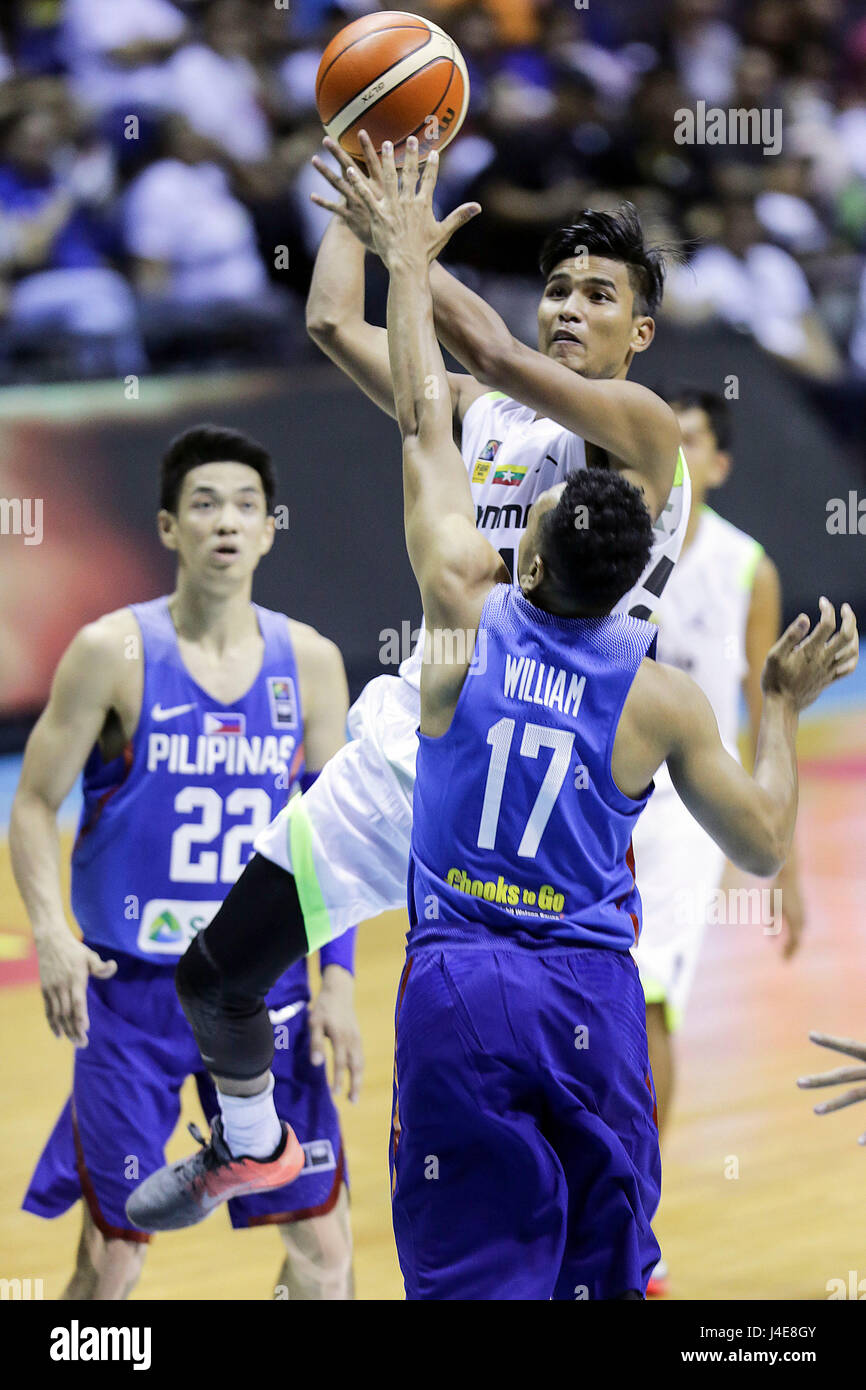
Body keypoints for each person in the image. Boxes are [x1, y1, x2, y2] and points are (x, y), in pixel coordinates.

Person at [126, 143, 857, 1306]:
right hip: (424, 727)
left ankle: (610, 1239)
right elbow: (332, 327)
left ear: (641, 336)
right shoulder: (481, 416)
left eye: (597, 295)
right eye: (558, 286)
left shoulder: (642, 433)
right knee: (216, 974)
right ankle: (252, 1138)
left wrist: (405, 233)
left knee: (544, 1036)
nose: (568, 307)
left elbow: (487, 346)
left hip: (535, 774)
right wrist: (356, 218)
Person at [11, 426, 360, 1300]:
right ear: (168, 527)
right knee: (115, 1247)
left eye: (246, 505)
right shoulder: (110, 653)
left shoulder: (311, 665)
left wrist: (340, 983)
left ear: (271, 528)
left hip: (260, 990)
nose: (226, 523)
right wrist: (50, 933)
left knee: (325, 1244)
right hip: (132, 994)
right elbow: (32, 803)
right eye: (204, 505)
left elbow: (335, 838)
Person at [629, 386, 805, 1297]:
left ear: (722, 463)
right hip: (605, 791)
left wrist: (790, 865)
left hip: (689, 811)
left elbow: (769, 710)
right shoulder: (615, 540)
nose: (681, 459)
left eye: (696, 443)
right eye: (671, 442)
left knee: (648, 1000)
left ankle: (629, 1219)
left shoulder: (747, 568)